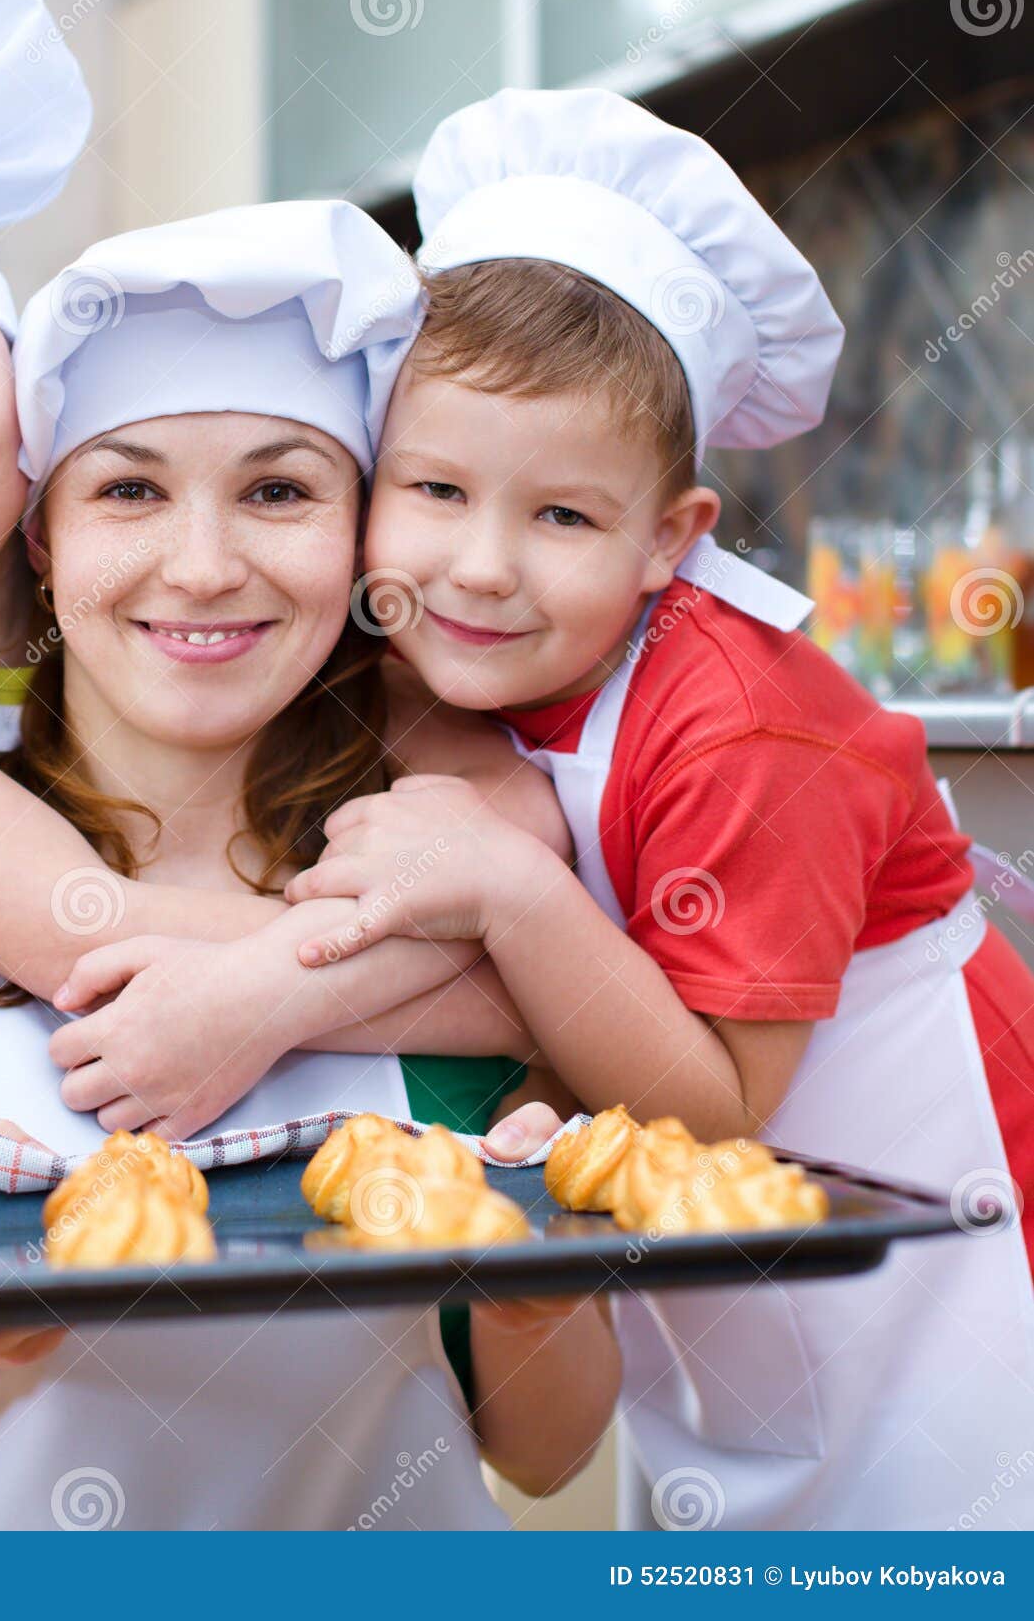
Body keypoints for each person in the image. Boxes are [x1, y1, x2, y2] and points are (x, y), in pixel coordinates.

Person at [0, 204, 619, 1528]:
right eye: (128, 489)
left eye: (280, 491)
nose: (203, 563)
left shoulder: (446, 889)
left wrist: (531, 1290)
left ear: (359, 543)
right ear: (43, 540)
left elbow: (545, 1446)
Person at [271, 87, 1034, 1530]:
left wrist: (506, 888)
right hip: (745, 1274)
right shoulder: (443, 664)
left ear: (666, 541)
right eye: (434, 487)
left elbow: (715, 1107)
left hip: (958, 1257)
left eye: (561, 515)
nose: (481, 566)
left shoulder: (743, 726)